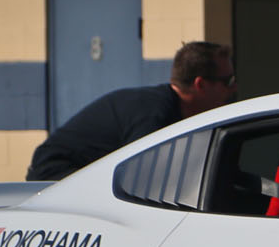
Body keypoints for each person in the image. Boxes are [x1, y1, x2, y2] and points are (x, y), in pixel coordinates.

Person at [27, 41, 236, 181]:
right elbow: (141, 179)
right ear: (200, 85)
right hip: (56, 176)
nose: (233, 88)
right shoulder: (154, 114)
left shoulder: (174, 112)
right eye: (228, 81)